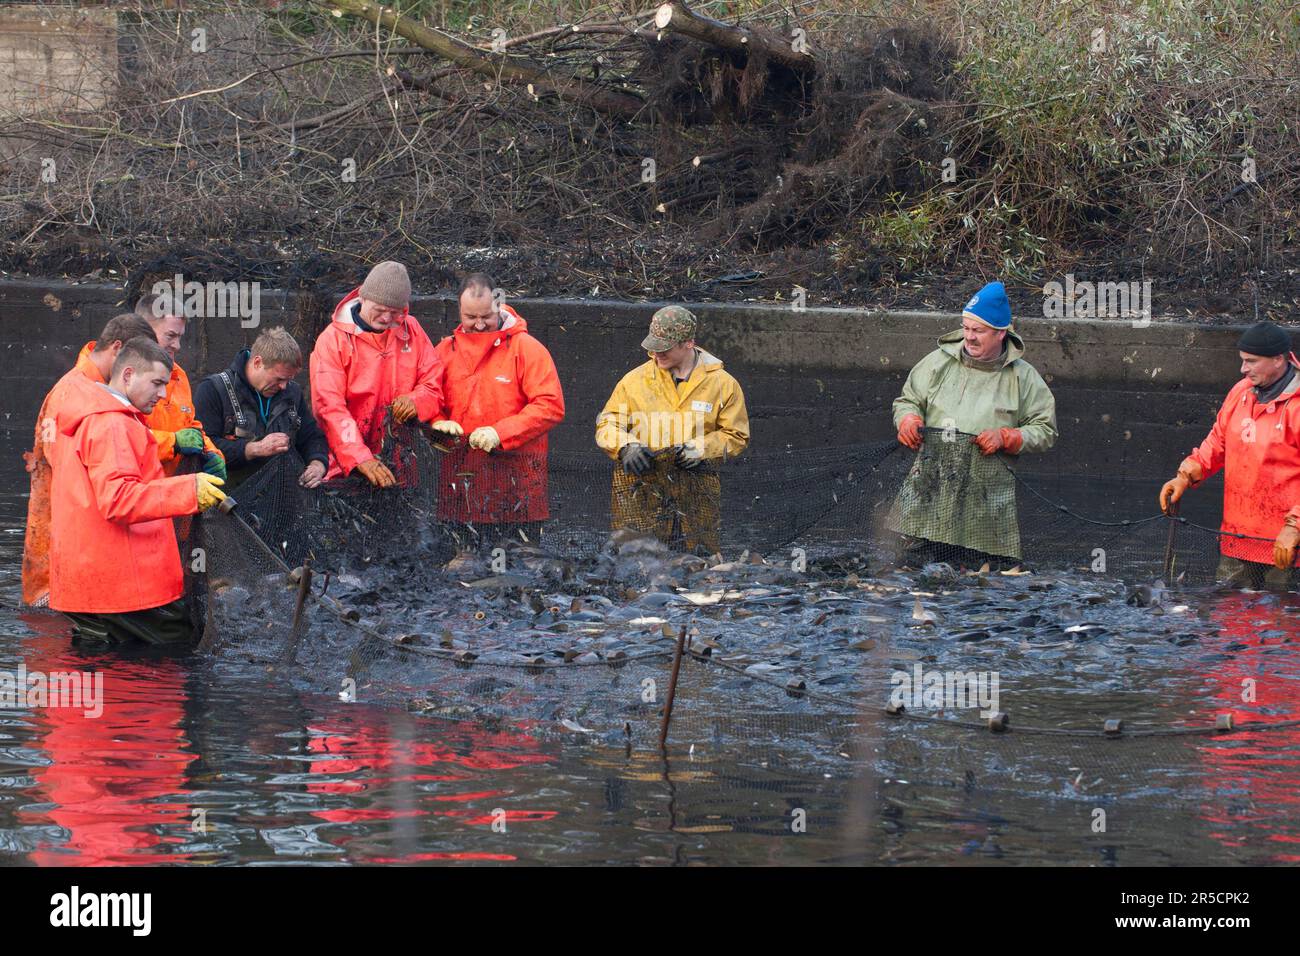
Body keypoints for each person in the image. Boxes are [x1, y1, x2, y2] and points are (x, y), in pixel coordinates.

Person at [48, 336, 227, 644]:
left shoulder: (93, 413)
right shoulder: (112, 424)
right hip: (121, 587)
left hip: (91, 581)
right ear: (128, 374)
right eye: (157, 383)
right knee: (172, 654)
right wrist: (188, 491)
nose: (162, 394)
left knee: (104, 662)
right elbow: (118, 500)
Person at [890, 281, 1058, 566]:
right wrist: (907, 419)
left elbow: (1045, 430)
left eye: (978, 331)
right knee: (910, 572)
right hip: (928, 490)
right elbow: (907, 400)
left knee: (981, 584)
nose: (969, 337)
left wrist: (1007, 437)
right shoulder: (937, 362)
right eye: (966, 328)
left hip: (985, 503)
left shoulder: (1024, 378)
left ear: (1001, 333)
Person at [21, 313, 157, 607]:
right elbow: (68, 472)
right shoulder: (75, 393)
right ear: (118, 350)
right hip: (62, 542)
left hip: (71, 536)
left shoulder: (92, 391)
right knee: (57, 634)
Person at [595, 306, 749, 555]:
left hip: (696, 495)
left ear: (688, 343)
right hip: (641, 495)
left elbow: (736, 435)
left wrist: (700, 449)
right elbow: (607, 424)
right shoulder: (634, 381)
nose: (656, 355)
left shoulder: (723, 384)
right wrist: (625, 446)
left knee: (697, 564)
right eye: (653, 348)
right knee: (637, 563)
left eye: (664, 349)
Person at [1159, 321, 1300, 588]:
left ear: (1279, 359)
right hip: (1237, 539)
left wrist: (1295, 527)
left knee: (1282, 622)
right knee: (1231, 617)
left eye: (1251, 361)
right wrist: (1184, 476)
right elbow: (1218, 442)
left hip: (1286, 545)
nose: (1243, 369)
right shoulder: (1241, 391)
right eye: (1242, 361)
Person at [429, 274, 565, 547]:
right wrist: (436, 423)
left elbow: (550, 405)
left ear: (499, 307)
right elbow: (428, 396)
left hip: (518, 485)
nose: (479, 325)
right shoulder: (444, 351)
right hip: (462, 486)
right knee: (463, 567)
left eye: (486, 317)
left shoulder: (527, 349)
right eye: (470, 317)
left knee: (521, 565)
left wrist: (500, 433)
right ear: (459, 310)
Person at [309, 261, 444, 488]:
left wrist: (415, 402)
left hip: (399, 467)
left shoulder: (412, 330)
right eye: (380, 310)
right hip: (343, 468)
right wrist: (359, 458)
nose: (386, 318)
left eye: (394, 312)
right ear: (362, 297)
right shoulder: (333, 340)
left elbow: (433, 385)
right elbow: (328, 407)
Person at [194, 327, 329, 489]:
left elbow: (312, 436)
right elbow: (201, 448)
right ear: (257, 362)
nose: (284, 386)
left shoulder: (292, 393)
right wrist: (253, 449)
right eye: (279, 379)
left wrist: (318, 464)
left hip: (282, 500)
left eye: (288, 379)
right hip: (228, 502)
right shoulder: (213, 390)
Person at [135, 293, 226, 482]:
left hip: (172, 496)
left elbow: (191, 426)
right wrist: (173, 443)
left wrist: (212, 453)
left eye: (180, 337)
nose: (177, 345)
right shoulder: (123, 378)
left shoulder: (178, 375)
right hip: (138, 495)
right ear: (144, 330)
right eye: (171, 335)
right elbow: (122, 441)